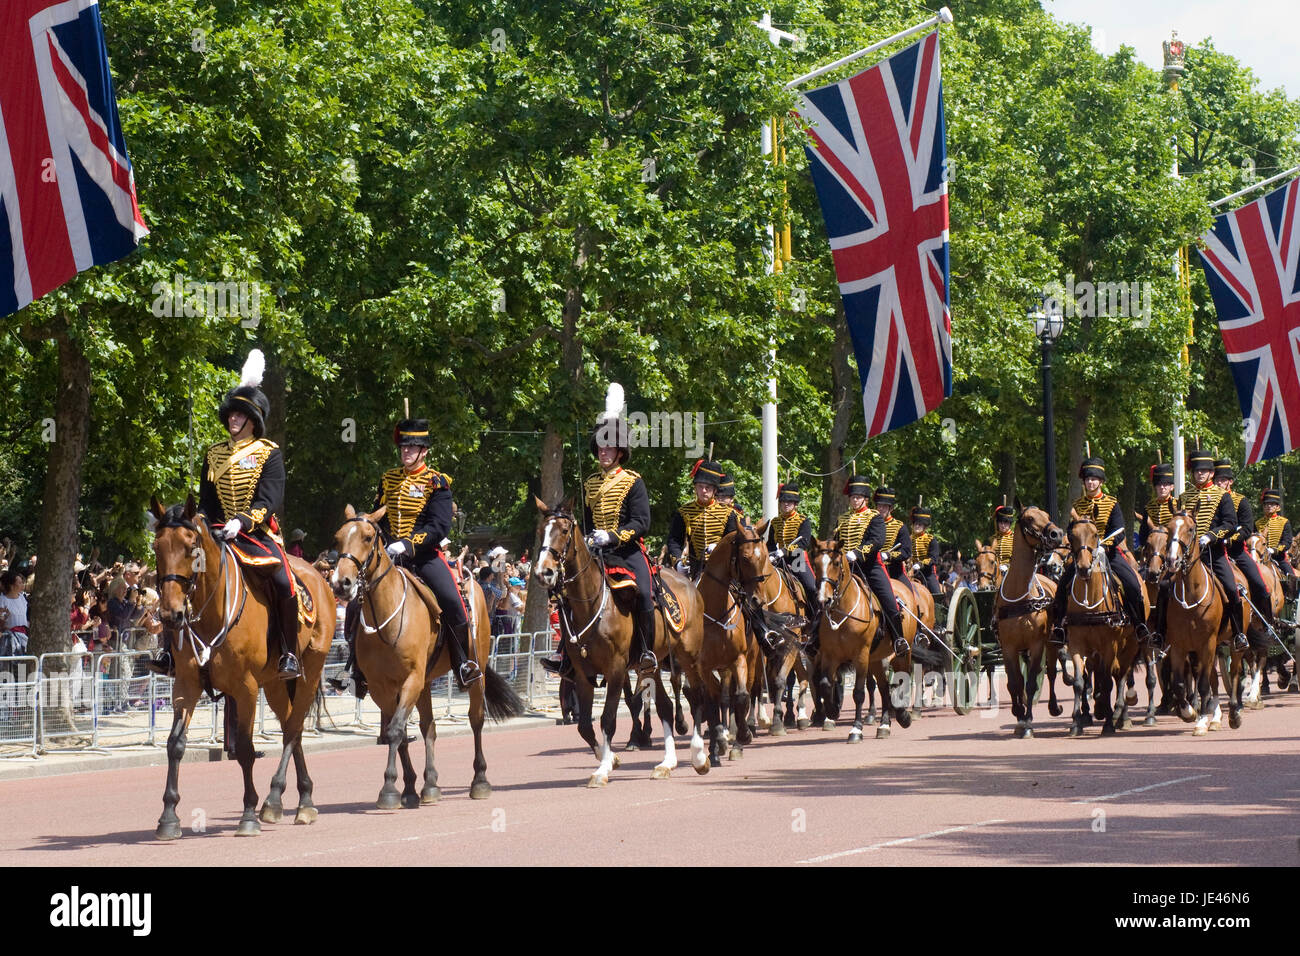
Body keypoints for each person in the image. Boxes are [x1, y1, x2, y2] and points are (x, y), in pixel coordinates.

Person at [151, 349, 301, 679]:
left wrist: (242, 521)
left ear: (253, 420)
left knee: (284, 582)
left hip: (255, 534)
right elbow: (205, 503)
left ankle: (289, 652)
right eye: (231, 413)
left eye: (239, 415)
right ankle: (170, 652)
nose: (233, 419)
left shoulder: (269, 454)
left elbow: (269, 500)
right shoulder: (214, 454)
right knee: (177, 573)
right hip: (216, 533)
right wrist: (201, 523)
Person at [367, 418, 481, 687]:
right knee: (358, 601)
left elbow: (439, 526)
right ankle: (357, 669)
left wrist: (408, 544)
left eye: (412, 446)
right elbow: (378, 516)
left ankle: (462, 662)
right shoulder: (388, 480)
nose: (406, 451)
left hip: (424, 556)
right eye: (403, 446)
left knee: (454, 604)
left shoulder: (437, 483)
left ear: (424, 451)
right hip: (390, 557)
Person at [585, 382, 657, 679]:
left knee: (645, 595)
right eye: (601, 447)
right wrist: (589, 537)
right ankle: (566, 655)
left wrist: (612, 536)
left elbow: (641, 522)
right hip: (597, 555)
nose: (604, 452)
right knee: (570, 593)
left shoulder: (632, 481)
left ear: (619, 452)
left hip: (626, 552)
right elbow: (587, 522)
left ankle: (646, 652)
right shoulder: (590, 483)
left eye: (609, 447)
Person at [1050, 455, 1149, 646]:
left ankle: (1139, 625)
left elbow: (1119, 530)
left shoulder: (1111, 503)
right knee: (1062, 586)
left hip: (1108, 554)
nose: (1090, 482)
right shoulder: (1077, 505)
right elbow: (1071, 531)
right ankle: (1060, 627)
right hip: (1083, 555)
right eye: (1088, 479)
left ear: (1101, 481)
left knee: (1132, 585)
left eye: (1094, 479)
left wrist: (1104, 546)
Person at [1173, 449, 1248, 650]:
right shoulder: (1184, 497)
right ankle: (1160, 633)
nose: (1200, 473)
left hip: (1213, 552)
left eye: (1204, 470)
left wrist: (1211, 536)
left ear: (1211, 473)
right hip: (1186, 556)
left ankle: (1239, 634)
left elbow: (1230, 523)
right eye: (1197, 470)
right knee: (1164, 586)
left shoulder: (1222, 496)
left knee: (1232, 589)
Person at [832, 475, 906, 656]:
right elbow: (835, 541)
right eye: (852, 497)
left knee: (889, 601)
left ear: (865, 499)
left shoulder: (874, 517)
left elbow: (876, 541)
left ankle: (898, 639)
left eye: (858, 497)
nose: (854, 500)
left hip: (870, 567)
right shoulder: (842, 518)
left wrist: (857, 554)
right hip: (846, 568)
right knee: (824, 594)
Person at [1215, 459, 1272, 635]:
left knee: (1260, 584)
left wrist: (1229, 540)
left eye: (1222, 480)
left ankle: (1267, 623)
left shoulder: (1240, 501)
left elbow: (1247, 528)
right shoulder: (1209, 500)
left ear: (1230, 482)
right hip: (1213, 550)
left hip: (1236, 551)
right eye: (1216, 480)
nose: (1219, 483)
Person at [666, 458, 739, 579]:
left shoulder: (729, 514)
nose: (704, 491)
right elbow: (674, 541)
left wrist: (720, 547)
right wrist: (678, 562)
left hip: (723, 571)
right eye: (700, 486)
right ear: (695, 488)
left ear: (715, 490)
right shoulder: (684, 512)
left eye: (708, 487)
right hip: (695, 570)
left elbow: (735, 541)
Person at [763, 481, 818, 638]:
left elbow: (804, 542)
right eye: (783, 501)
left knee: (811, 588)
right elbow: (770, 543)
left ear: (795, 504)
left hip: (797, 559)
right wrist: (771, 553)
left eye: (789, 501)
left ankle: (815, 620)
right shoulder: (775, 522)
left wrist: (785, 551)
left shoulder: (803, 520)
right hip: (778, 560)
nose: (786, 504)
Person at [1136, 461, 1179, 646]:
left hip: (1172, 553)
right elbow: (1143, 535)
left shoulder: (1177, 505)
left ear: (1172, 487)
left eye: (1166, 484)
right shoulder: (1149, 507)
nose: (1162, 488)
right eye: (1159, 484)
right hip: (1152, 554)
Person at [1256, 489, 1296, 596]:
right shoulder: (1258, 523)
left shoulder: (1284, 522)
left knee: (1291, 576)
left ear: (1278, 507)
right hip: (1260, 557)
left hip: (1278, 557)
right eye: (1266, 504)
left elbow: (1287, 541)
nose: (1269, 506)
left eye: (1272, 504)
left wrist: (1274, 550)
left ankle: (1292, 598)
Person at [875, 486, 911, 581]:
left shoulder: (900, 527)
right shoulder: (870, 524)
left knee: (909, 589)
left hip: (893, 571)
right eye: (879, 505)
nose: (881, 509)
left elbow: (906, 551)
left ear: (891, 508)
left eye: (884, 506)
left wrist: (889, 555)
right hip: (873, 568)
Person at [910, 504, 942, 598]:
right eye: (915, 524)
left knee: (936, 593)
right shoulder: (909, 539)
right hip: (911, 572)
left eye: (919, 524)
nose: (917, 526)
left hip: (927, 573)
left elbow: (933, 558)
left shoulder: (930, 539)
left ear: (925, 527)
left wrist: (920, 564)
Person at [0, 570, 29, 656]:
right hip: (10, 639)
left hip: (24, 636)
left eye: (22, 582)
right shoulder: (2, 600)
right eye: (19, 583)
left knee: (23, 661)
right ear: (11, 586)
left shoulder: (22, 598)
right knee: (12, 660)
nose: (22, 585)